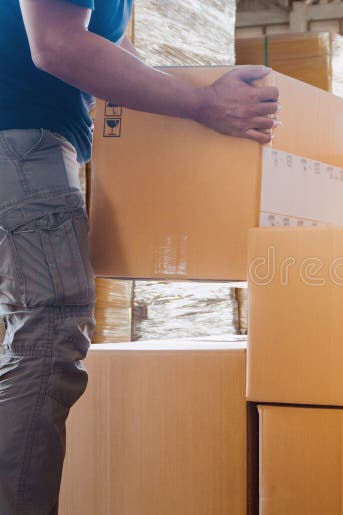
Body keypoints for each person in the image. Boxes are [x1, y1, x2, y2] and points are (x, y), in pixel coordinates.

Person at [0, 0, 278, 512]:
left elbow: (110, 49)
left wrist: (195, 97)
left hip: (23, 140)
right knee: (49, 328)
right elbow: (58, 44)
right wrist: (200, 104)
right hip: (19, 141)